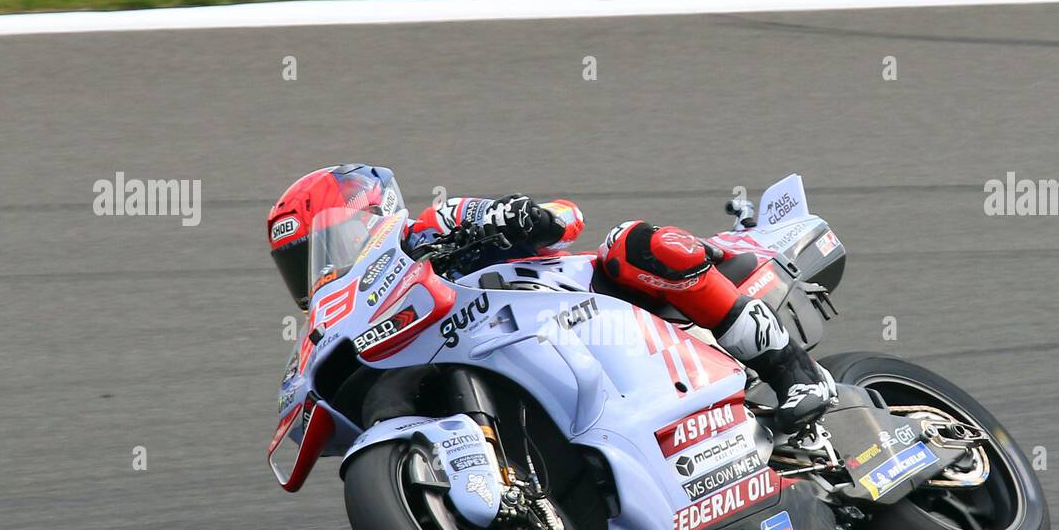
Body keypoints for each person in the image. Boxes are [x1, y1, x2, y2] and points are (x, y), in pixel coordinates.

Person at [268, 164, 836, 430]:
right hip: (506, 360)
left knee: (632, 243)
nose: (318, 272)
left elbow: (566, 219)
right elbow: (301, 407)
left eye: (325, 246)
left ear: (366, 217)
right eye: (300, 266)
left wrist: (515, 215)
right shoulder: (335, 325)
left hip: (588, 303)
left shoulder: (430, 227)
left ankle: (792, 371)